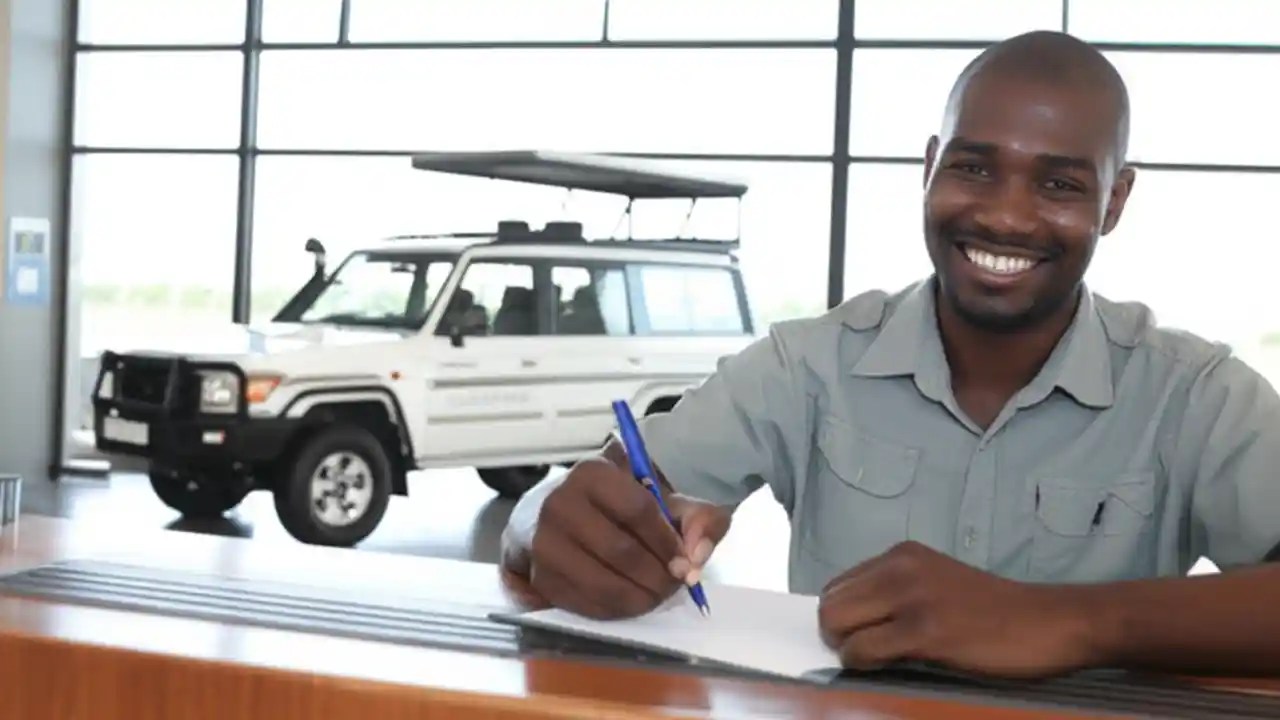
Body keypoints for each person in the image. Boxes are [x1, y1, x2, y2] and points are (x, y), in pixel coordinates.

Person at [497, 30, 1280, 680]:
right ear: (929, 165)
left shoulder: (1198, 397)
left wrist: (1066, 623)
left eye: (1059, 184)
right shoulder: (807, 365)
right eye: (973, 167)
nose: (1005, 215)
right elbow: (593, 498)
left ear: (1114, 201)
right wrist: (542, 522)